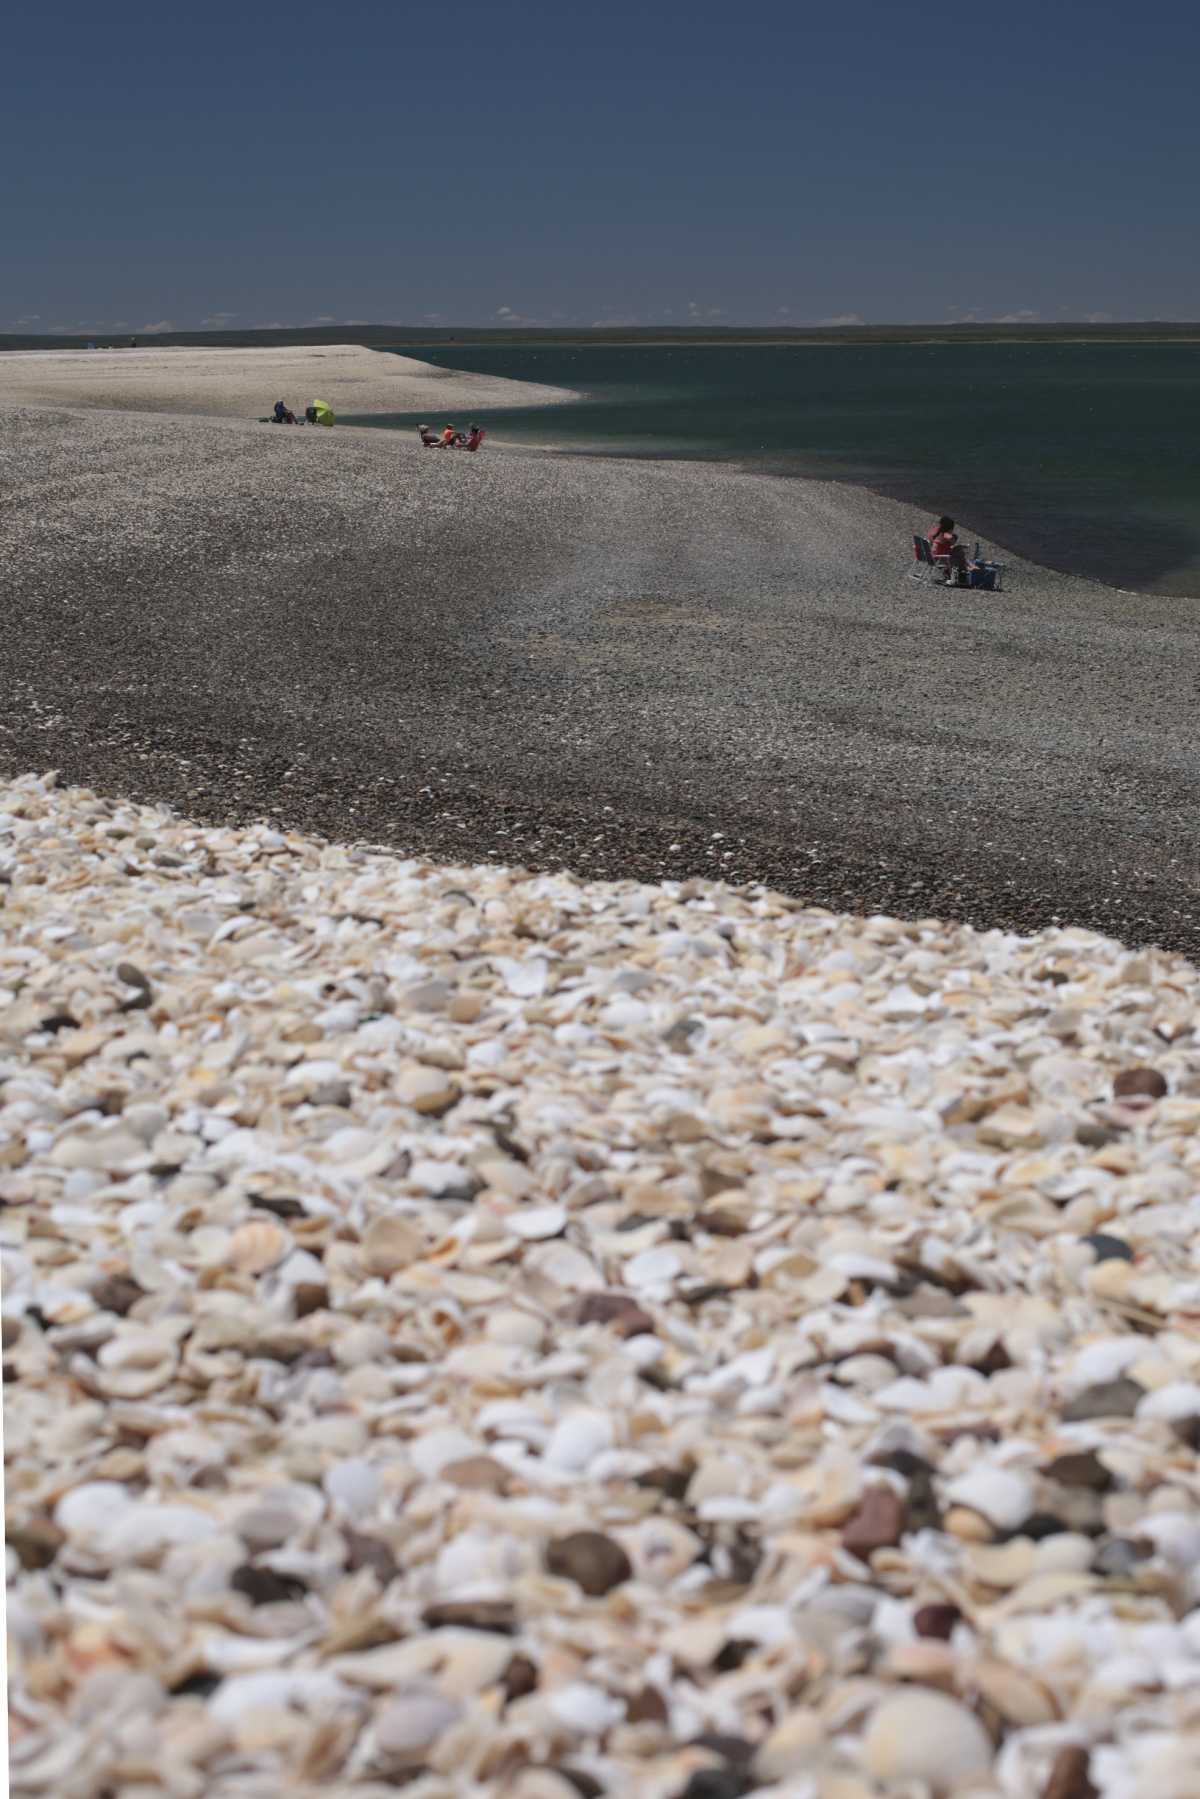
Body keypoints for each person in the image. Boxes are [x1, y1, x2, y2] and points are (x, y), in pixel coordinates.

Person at [929, 516, 968, 586]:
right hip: (942, 559)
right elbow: (952, 540)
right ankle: (962, 576)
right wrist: (954, 537)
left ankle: (956, 575)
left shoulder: (936, 533)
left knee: (958, 550)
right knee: (959, 553)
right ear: (950, 528)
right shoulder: (945, 534)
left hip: (934, 558)